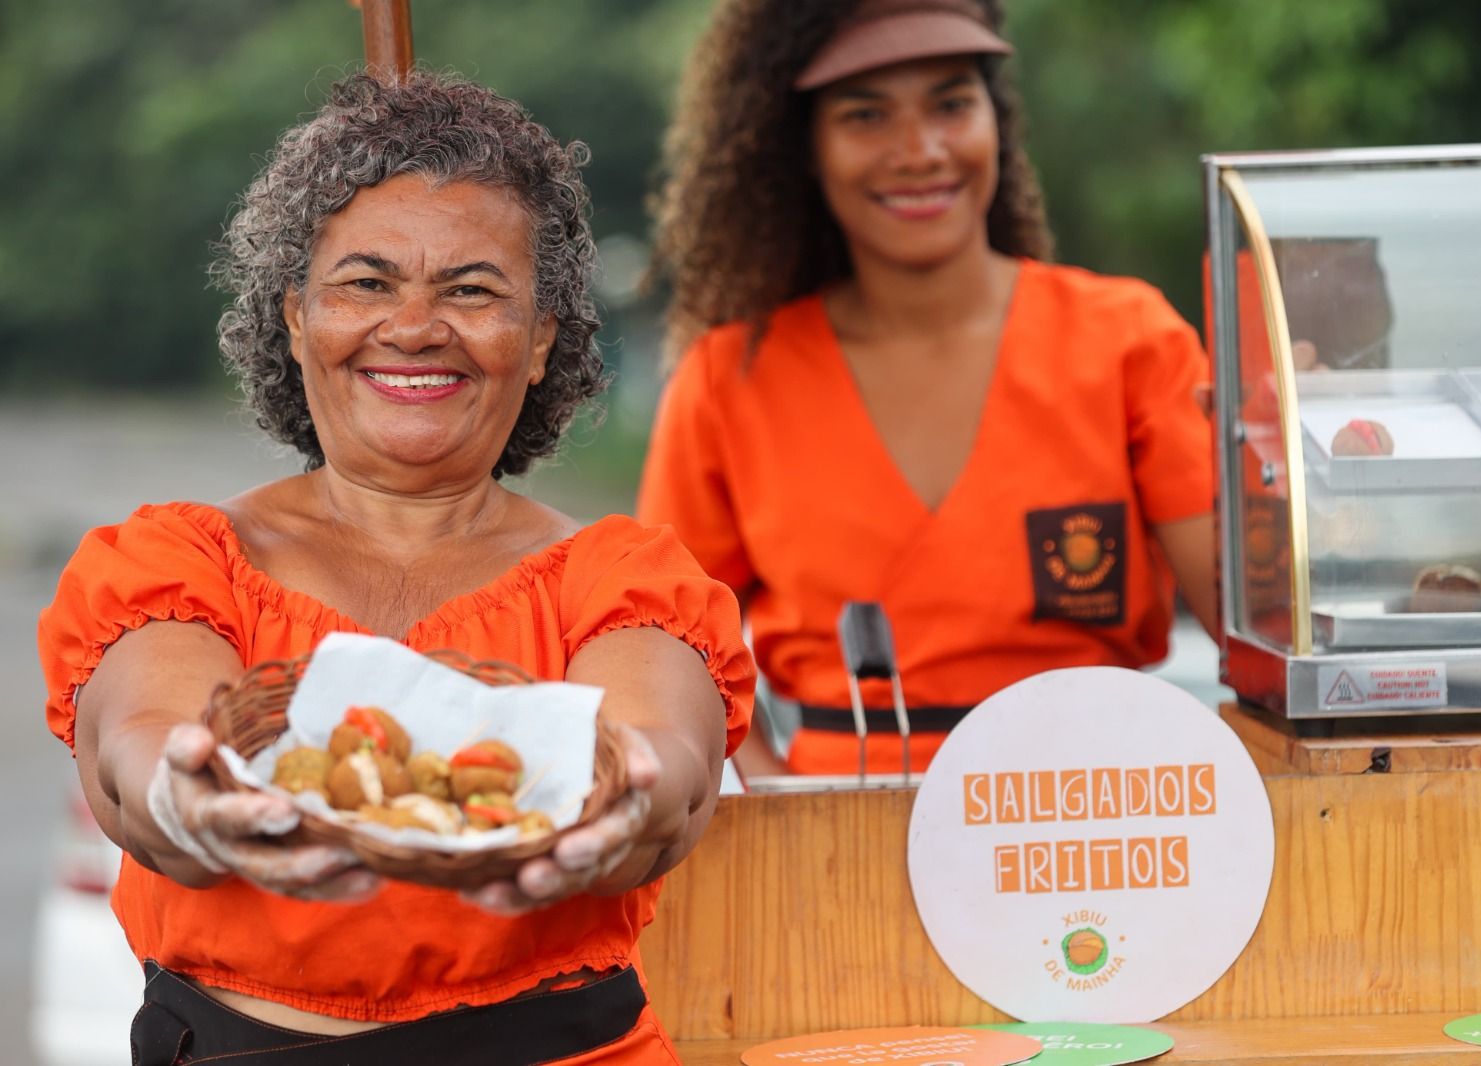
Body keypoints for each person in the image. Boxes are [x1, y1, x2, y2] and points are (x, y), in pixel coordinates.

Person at [37, 72, 754, 1065]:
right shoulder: (178, 561)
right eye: (367, 283)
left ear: (541, 338)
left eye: (472, 289)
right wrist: (187, 798)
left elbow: (663, 760)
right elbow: (142, 744)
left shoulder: (620, 578)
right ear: (295, 320)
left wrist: (627, 802)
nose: (414, 327)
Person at [638, 0, 1216, 777]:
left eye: (951, 103)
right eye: (866, 115)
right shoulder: (729, 379)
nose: (920, 150)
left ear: (996, 122)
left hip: (1096, 835)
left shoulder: (1130, 341)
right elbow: (663, 647)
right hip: (837, 841)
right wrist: (769, 799)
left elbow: (1249, 627)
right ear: (804, 147)